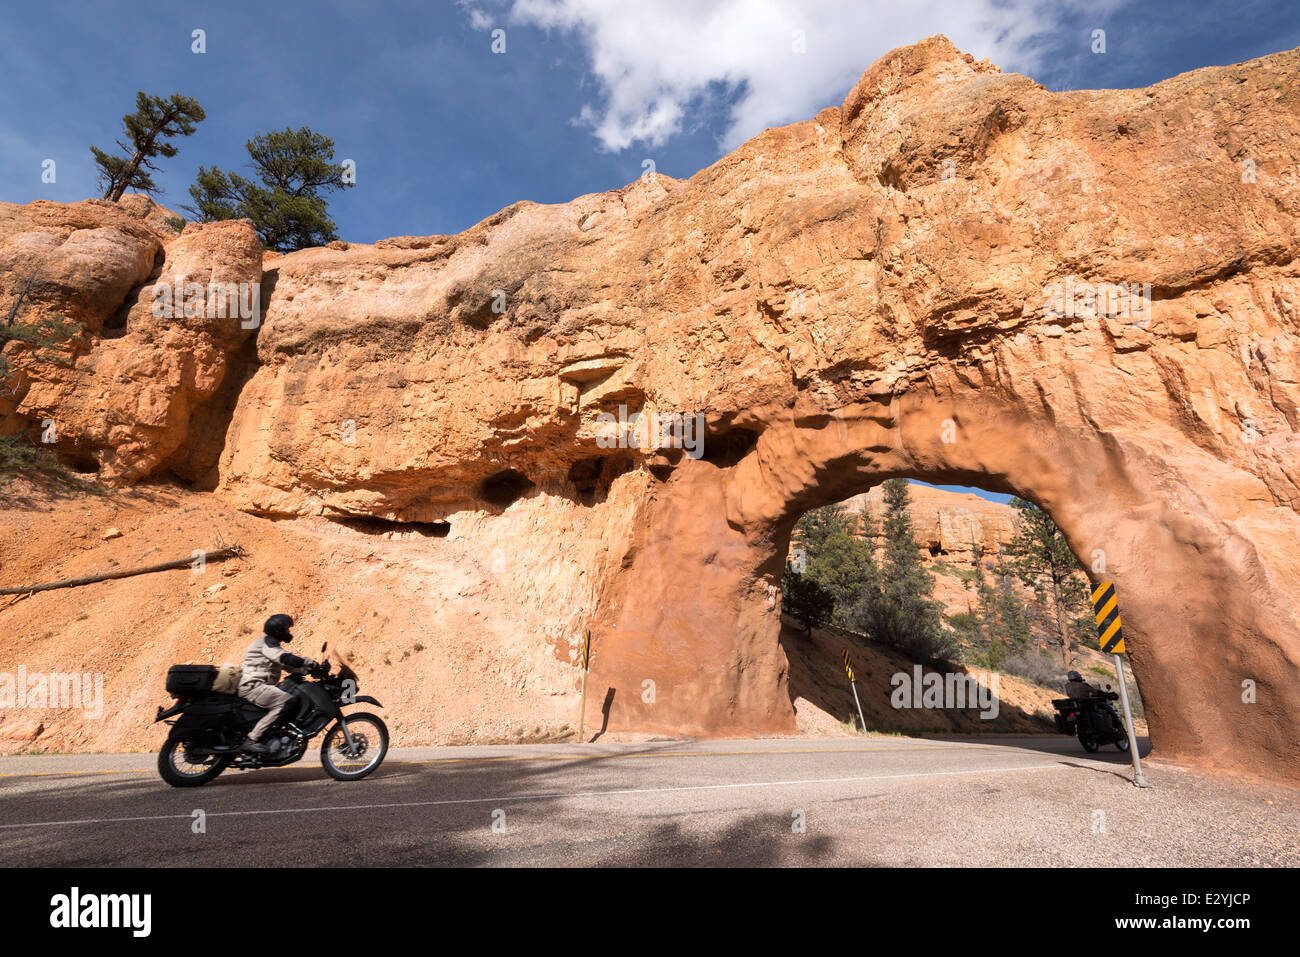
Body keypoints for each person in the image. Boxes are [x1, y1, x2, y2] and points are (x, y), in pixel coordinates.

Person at [237, 614, 316, 753]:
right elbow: (284, 658)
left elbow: (285, 665)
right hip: (254, 686)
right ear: (278, 631)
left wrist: (308, 670)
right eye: (286, 630)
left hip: (257, 686)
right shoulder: (267, 644)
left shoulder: (270, 644)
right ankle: (252, 739)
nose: (289, 632)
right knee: (285, 702)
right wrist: (306, 661)